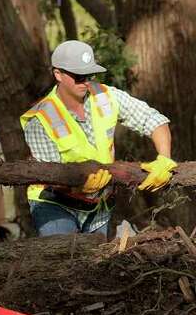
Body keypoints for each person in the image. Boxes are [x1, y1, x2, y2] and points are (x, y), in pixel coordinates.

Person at [21, 40, 175, 237]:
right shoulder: (40, 120)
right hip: (54, 205)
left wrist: (165, 158)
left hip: (98, 207)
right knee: (64, 261)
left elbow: (153, 119)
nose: (86, 81)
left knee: (95, 263)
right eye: (78, 76)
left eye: (89, 75)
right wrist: (78, 183)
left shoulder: (106, 96)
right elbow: (49, 175)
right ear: (58, 74)